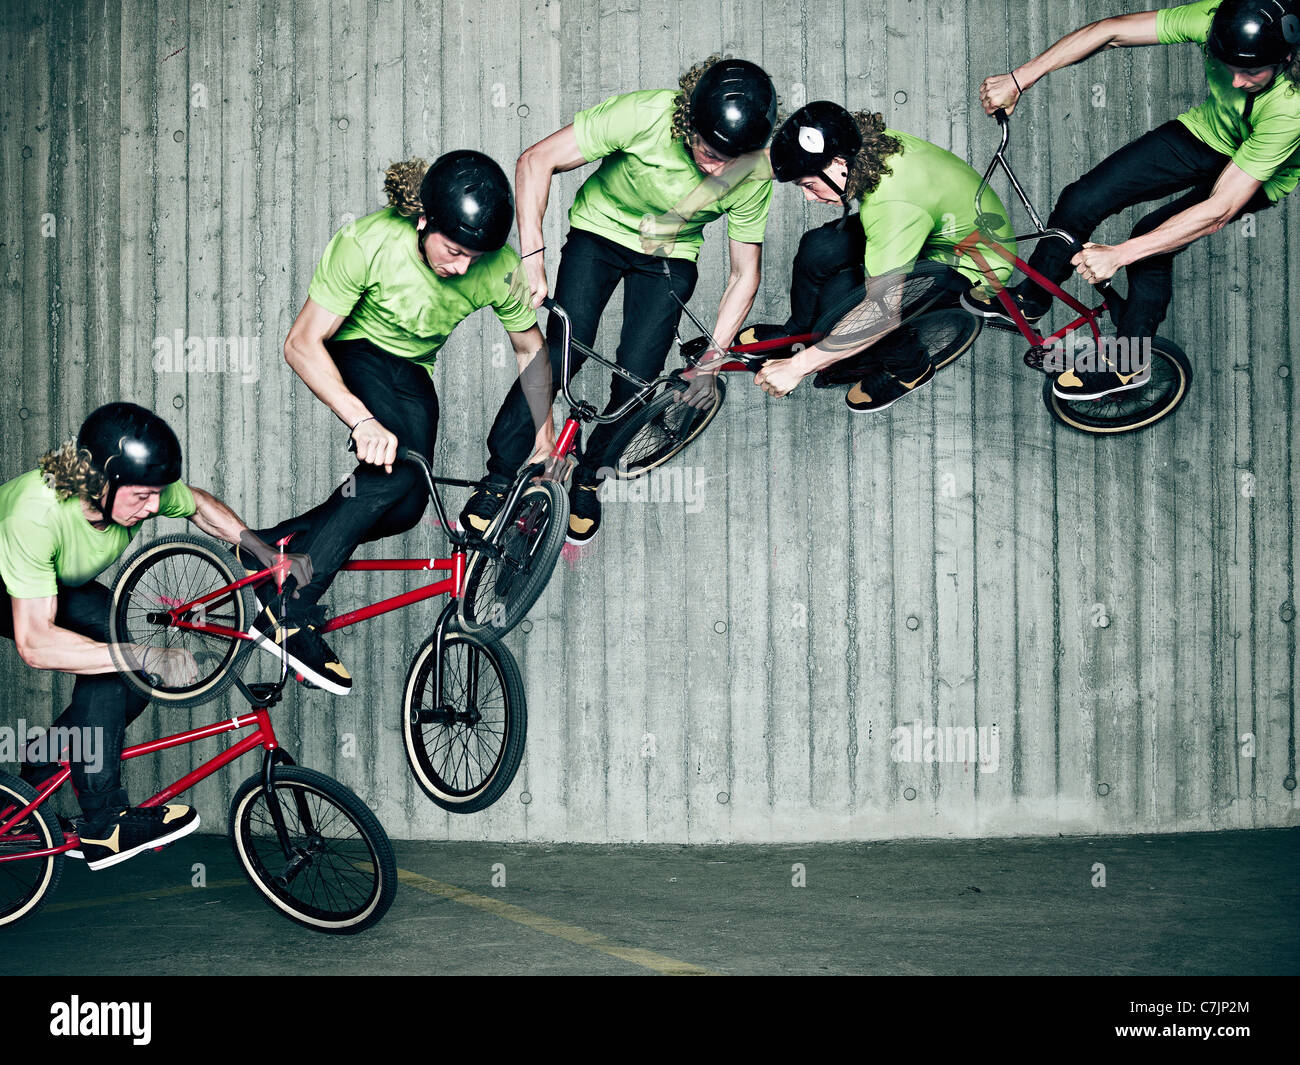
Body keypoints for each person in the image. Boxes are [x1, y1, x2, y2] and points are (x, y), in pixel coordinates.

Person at [242, 151, 554, 692]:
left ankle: (274, 543)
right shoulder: (367, 243)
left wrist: (544, 438)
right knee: (398, 475)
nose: (461, 268)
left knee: (408, 505)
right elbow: (299, 344)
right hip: (355, 350)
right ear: (424, 219)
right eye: (453, 251)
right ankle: (286, 612)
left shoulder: (495, 268)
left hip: (413, 370)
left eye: (473, 257)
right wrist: (361, 421)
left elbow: (531, 351)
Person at [461, 56, 777, 545]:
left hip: (670, 253)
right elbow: (534, 161)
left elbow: (744, 274)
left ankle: (590, 475)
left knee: (638, 377)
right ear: (687, 122)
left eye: (727, 160)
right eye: (707, 150)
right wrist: (532, 256)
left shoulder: (753, 171)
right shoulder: (643, 115)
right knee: (565, 348)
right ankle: (501, 477)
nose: (714, 168)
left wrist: (712, 361)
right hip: (600, 232)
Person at [0, 403, 298, 870]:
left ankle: (36, 776)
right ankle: (104, 826)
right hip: (8, 584)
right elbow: (35, 643)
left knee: (125, 668)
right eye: (142, 496)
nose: (155, 507)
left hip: (55, 580)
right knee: (122, 660)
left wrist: (263, 553)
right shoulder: (34, 514)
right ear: (98, 482)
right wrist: (143, 655)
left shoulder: (126, 483)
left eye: (157, 494)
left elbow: (198, 504)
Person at [965, 0, 1300, 400]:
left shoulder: (1291, 107)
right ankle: (1032, 299)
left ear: (1288, 57)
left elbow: (1219, 209)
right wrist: (1019, 79)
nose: (1237, 82)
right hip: (1206, 134)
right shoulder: (1215, 18)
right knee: (1081, 198)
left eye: (1251, 72)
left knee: (1149, 243)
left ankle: (1128, 364)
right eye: (1229, 66)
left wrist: (1120, 253)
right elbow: (1111, 31)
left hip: (1260, 173)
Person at [748, 102, 1016, 412]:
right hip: (936, 229)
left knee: (844, 303)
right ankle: (798, 332)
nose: (808, 197)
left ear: (838, 163)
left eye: (809, 185)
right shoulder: (859, 142)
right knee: (818, 246)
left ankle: (910, 370)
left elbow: (880, 314)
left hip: (975, 268)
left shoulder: (892, 206)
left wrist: (797, 367)